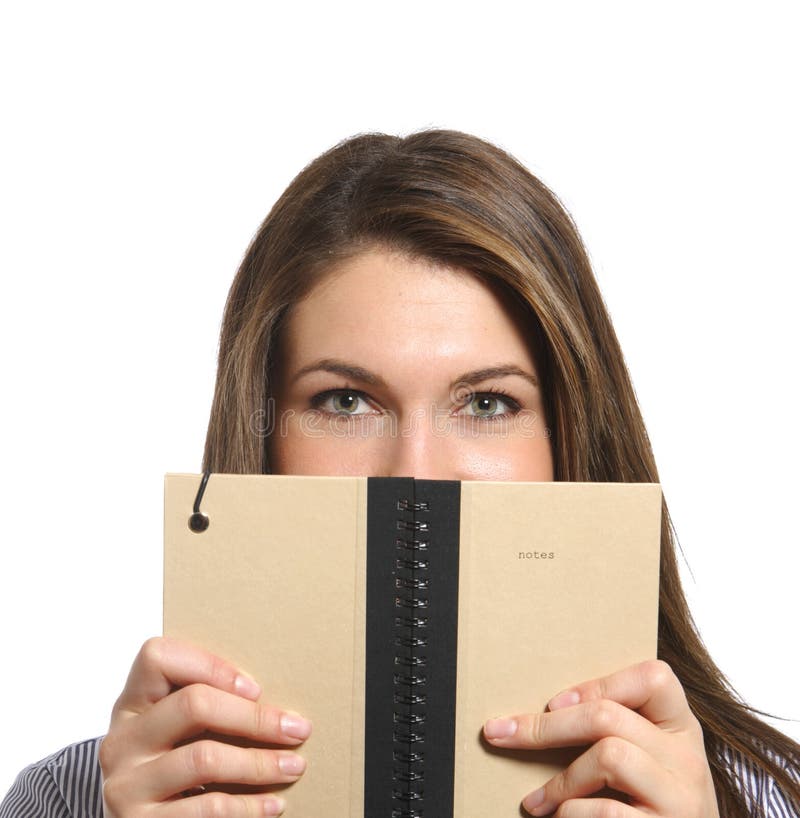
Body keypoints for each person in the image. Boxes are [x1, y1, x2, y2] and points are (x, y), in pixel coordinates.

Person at [2, 129, 798, 818]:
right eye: (346, 401)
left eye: (487, 403)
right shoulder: (78, 799)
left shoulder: (763, 798)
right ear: (264, 438)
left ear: (571, 439)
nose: (416, 474)